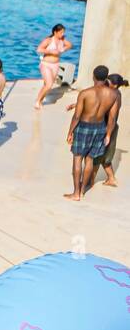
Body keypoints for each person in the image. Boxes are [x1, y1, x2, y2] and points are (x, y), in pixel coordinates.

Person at [65, 65, 120, 201]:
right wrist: (108, 134)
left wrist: (70, 132)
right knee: (89, 160)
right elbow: (112, 118)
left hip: (84, 127)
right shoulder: (113, 94)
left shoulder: (85, 93)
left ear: (93, 76)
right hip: (100, 127)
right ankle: (83, 190)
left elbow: (77, 116)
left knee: (78, 159)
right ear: (106, 77)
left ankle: (76, 193)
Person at [89, 72, 124, 189]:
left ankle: (90, 181)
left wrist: (107, 134)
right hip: (113, 128)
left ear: (114, 85)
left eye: (107, 82)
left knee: (97, 157)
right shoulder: (116, 93)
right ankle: (111, 178)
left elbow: (111, 117)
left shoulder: (114, 95)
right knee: (106, 157)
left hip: (107, 128)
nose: (105, 84)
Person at [35, 23, 72, 109]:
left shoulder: (62, 40)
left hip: (55, 65)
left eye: (63, 32)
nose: (62, 34)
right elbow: (39, 49)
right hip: (46, 64)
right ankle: (37, 101)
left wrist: (63, 49)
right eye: (61, 32)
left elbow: (70, 45)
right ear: (55, 32)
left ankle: (40, 100)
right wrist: (51, 52)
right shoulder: (49, 40)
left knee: (46, 85)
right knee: (49, 85)